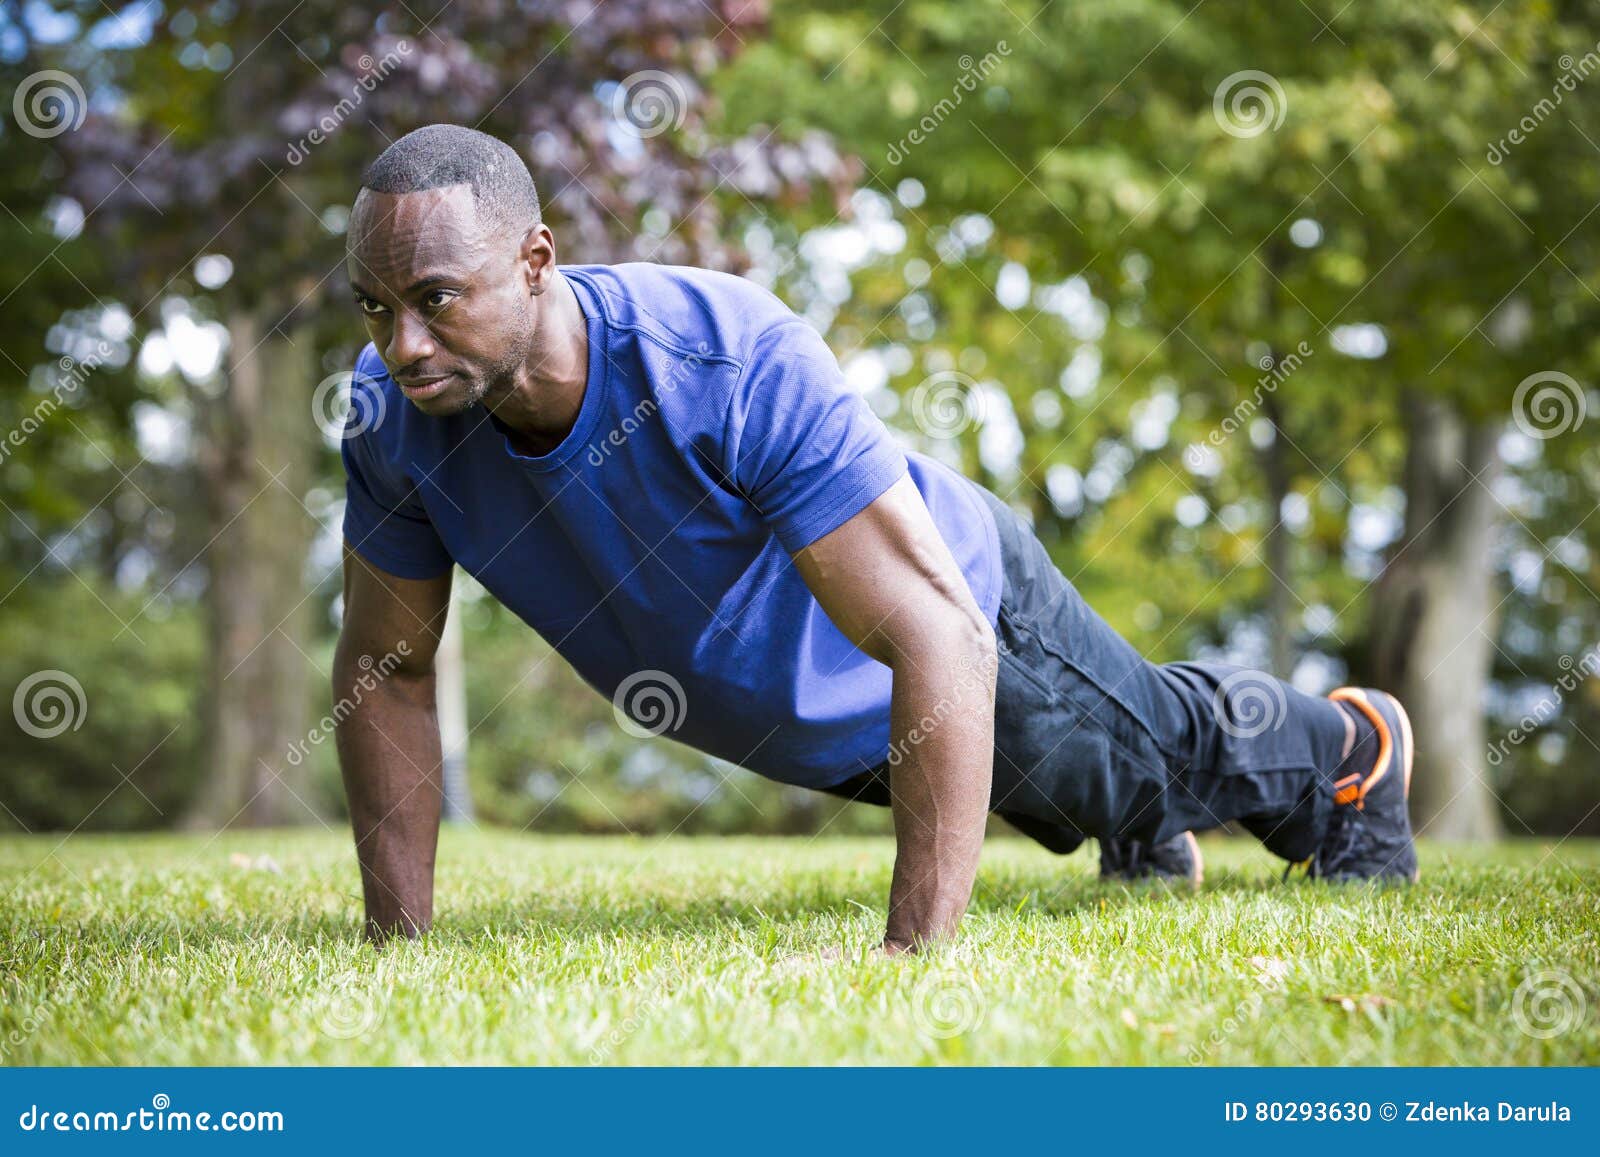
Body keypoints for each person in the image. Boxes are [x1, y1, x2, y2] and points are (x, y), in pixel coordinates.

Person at [334, 124, 1418, 951]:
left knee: (1156, 757)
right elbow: (389, 670)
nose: (402, 344)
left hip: (966, 621)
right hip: (833, 716)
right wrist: (398, 945)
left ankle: (1347, 749)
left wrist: (910, 962)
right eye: (374, 307)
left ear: (535, 258)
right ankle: (1139, 826)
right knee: (1090, 786)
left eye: (435, 298)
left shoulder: (721, 357)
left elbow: (938, 633)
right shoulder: (393, 419)